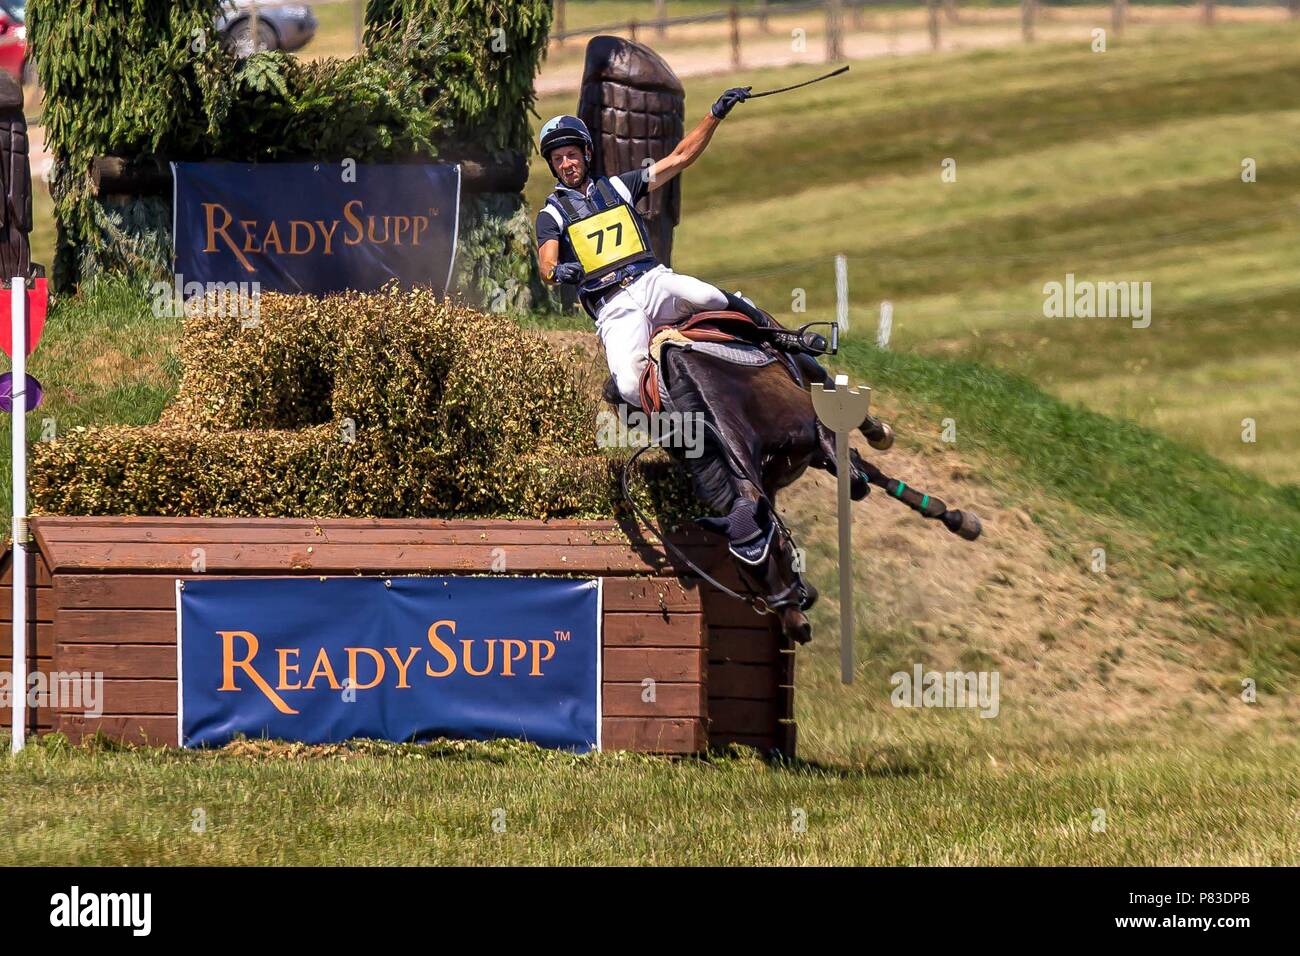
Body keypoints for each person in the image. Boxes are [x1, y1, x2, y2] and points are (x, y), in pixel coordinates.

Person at [535, 88, 790, 407]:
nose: (566, 164)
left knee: (707, 296)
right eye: (558, 160)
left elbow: (680, 158)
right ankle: (687, 425)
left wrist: (715, 114)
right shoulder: (551, 214)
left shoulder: (618, 187)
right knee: (629, 386)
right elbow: (546, 264)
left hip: (651, 282)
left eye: (571, 155)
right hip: (614, 307)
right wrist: (557, 271)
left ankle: (777, 336)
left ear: (586, 153)